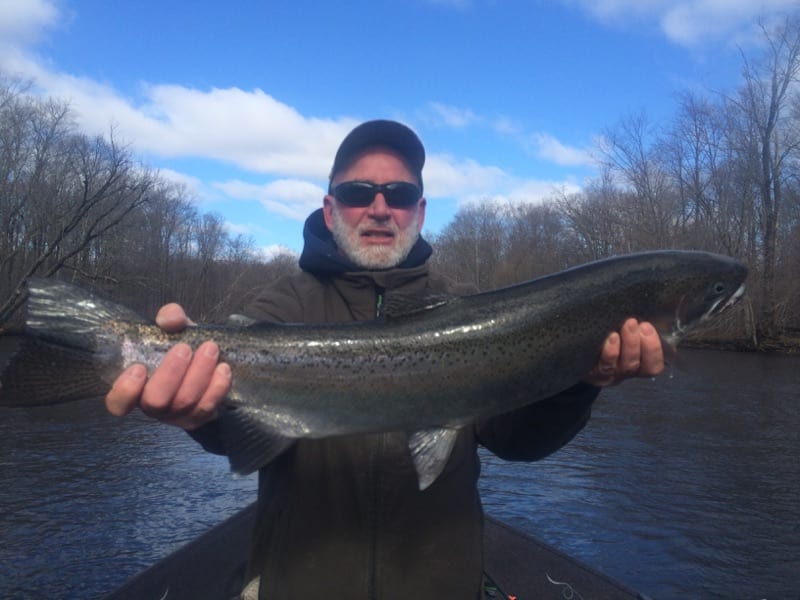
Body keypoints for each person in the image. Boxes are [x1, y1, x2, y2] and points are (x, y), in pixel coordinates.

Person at [106, 120, 664, 599]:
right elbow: (235, 428)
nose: (379, 208)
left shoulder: (467, 314)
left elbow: (519, 441)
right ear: (330, 210)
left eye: (398, 194)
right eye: (358, 193)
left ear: (419, 210)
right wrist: (195, 411)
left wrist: (580, 380)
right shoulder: (281, 306)